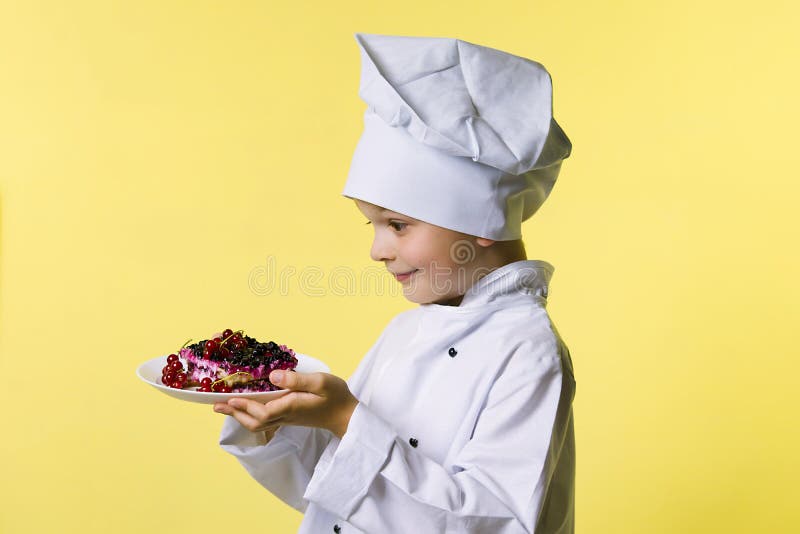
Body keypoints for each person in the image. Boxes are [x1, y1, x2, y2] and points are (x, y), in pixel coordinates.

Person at [213, 32, 576, 533]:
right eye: (373, 225)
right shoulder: (405, 332)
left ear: (480, 224)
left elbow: (494, 523)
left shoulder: (527, 351)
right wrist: (284, 423)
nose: (377, 249)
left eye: (398, 225)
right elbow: (338, 493)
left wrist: (346, 419)